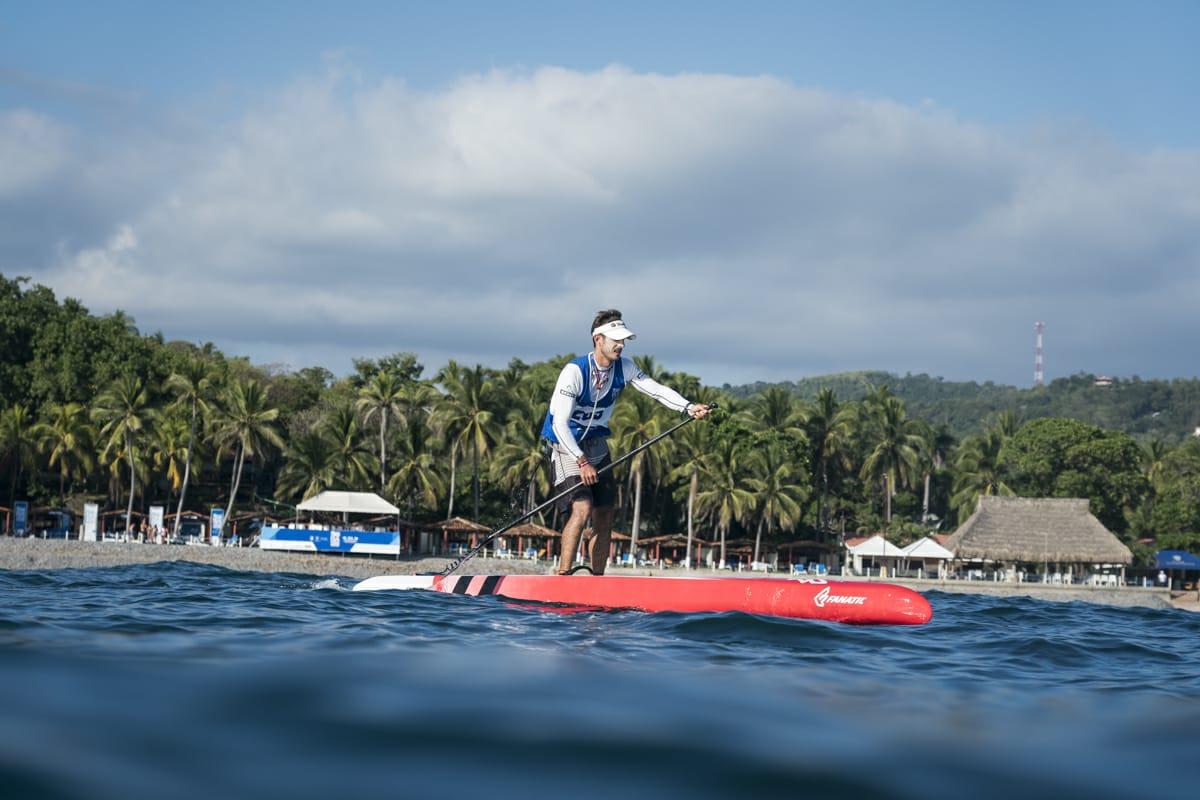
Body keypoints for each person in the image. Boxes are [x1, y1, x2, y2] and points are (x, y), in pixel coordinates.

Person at [541, 309, 711, 575]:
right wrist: (581, 461)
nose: (621, 345)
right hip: (566, 446)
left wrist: (688, 407)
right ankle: (563, 575)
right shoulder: (574, 372)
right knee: (582, 508)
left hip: (596, 444)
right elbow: (558, 424)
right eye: (615, 340)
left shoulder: (625, 367)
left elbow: (656, 390)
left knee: (605, 513)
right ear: (598, 339)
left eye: (624, 340)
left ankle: (597, 579)